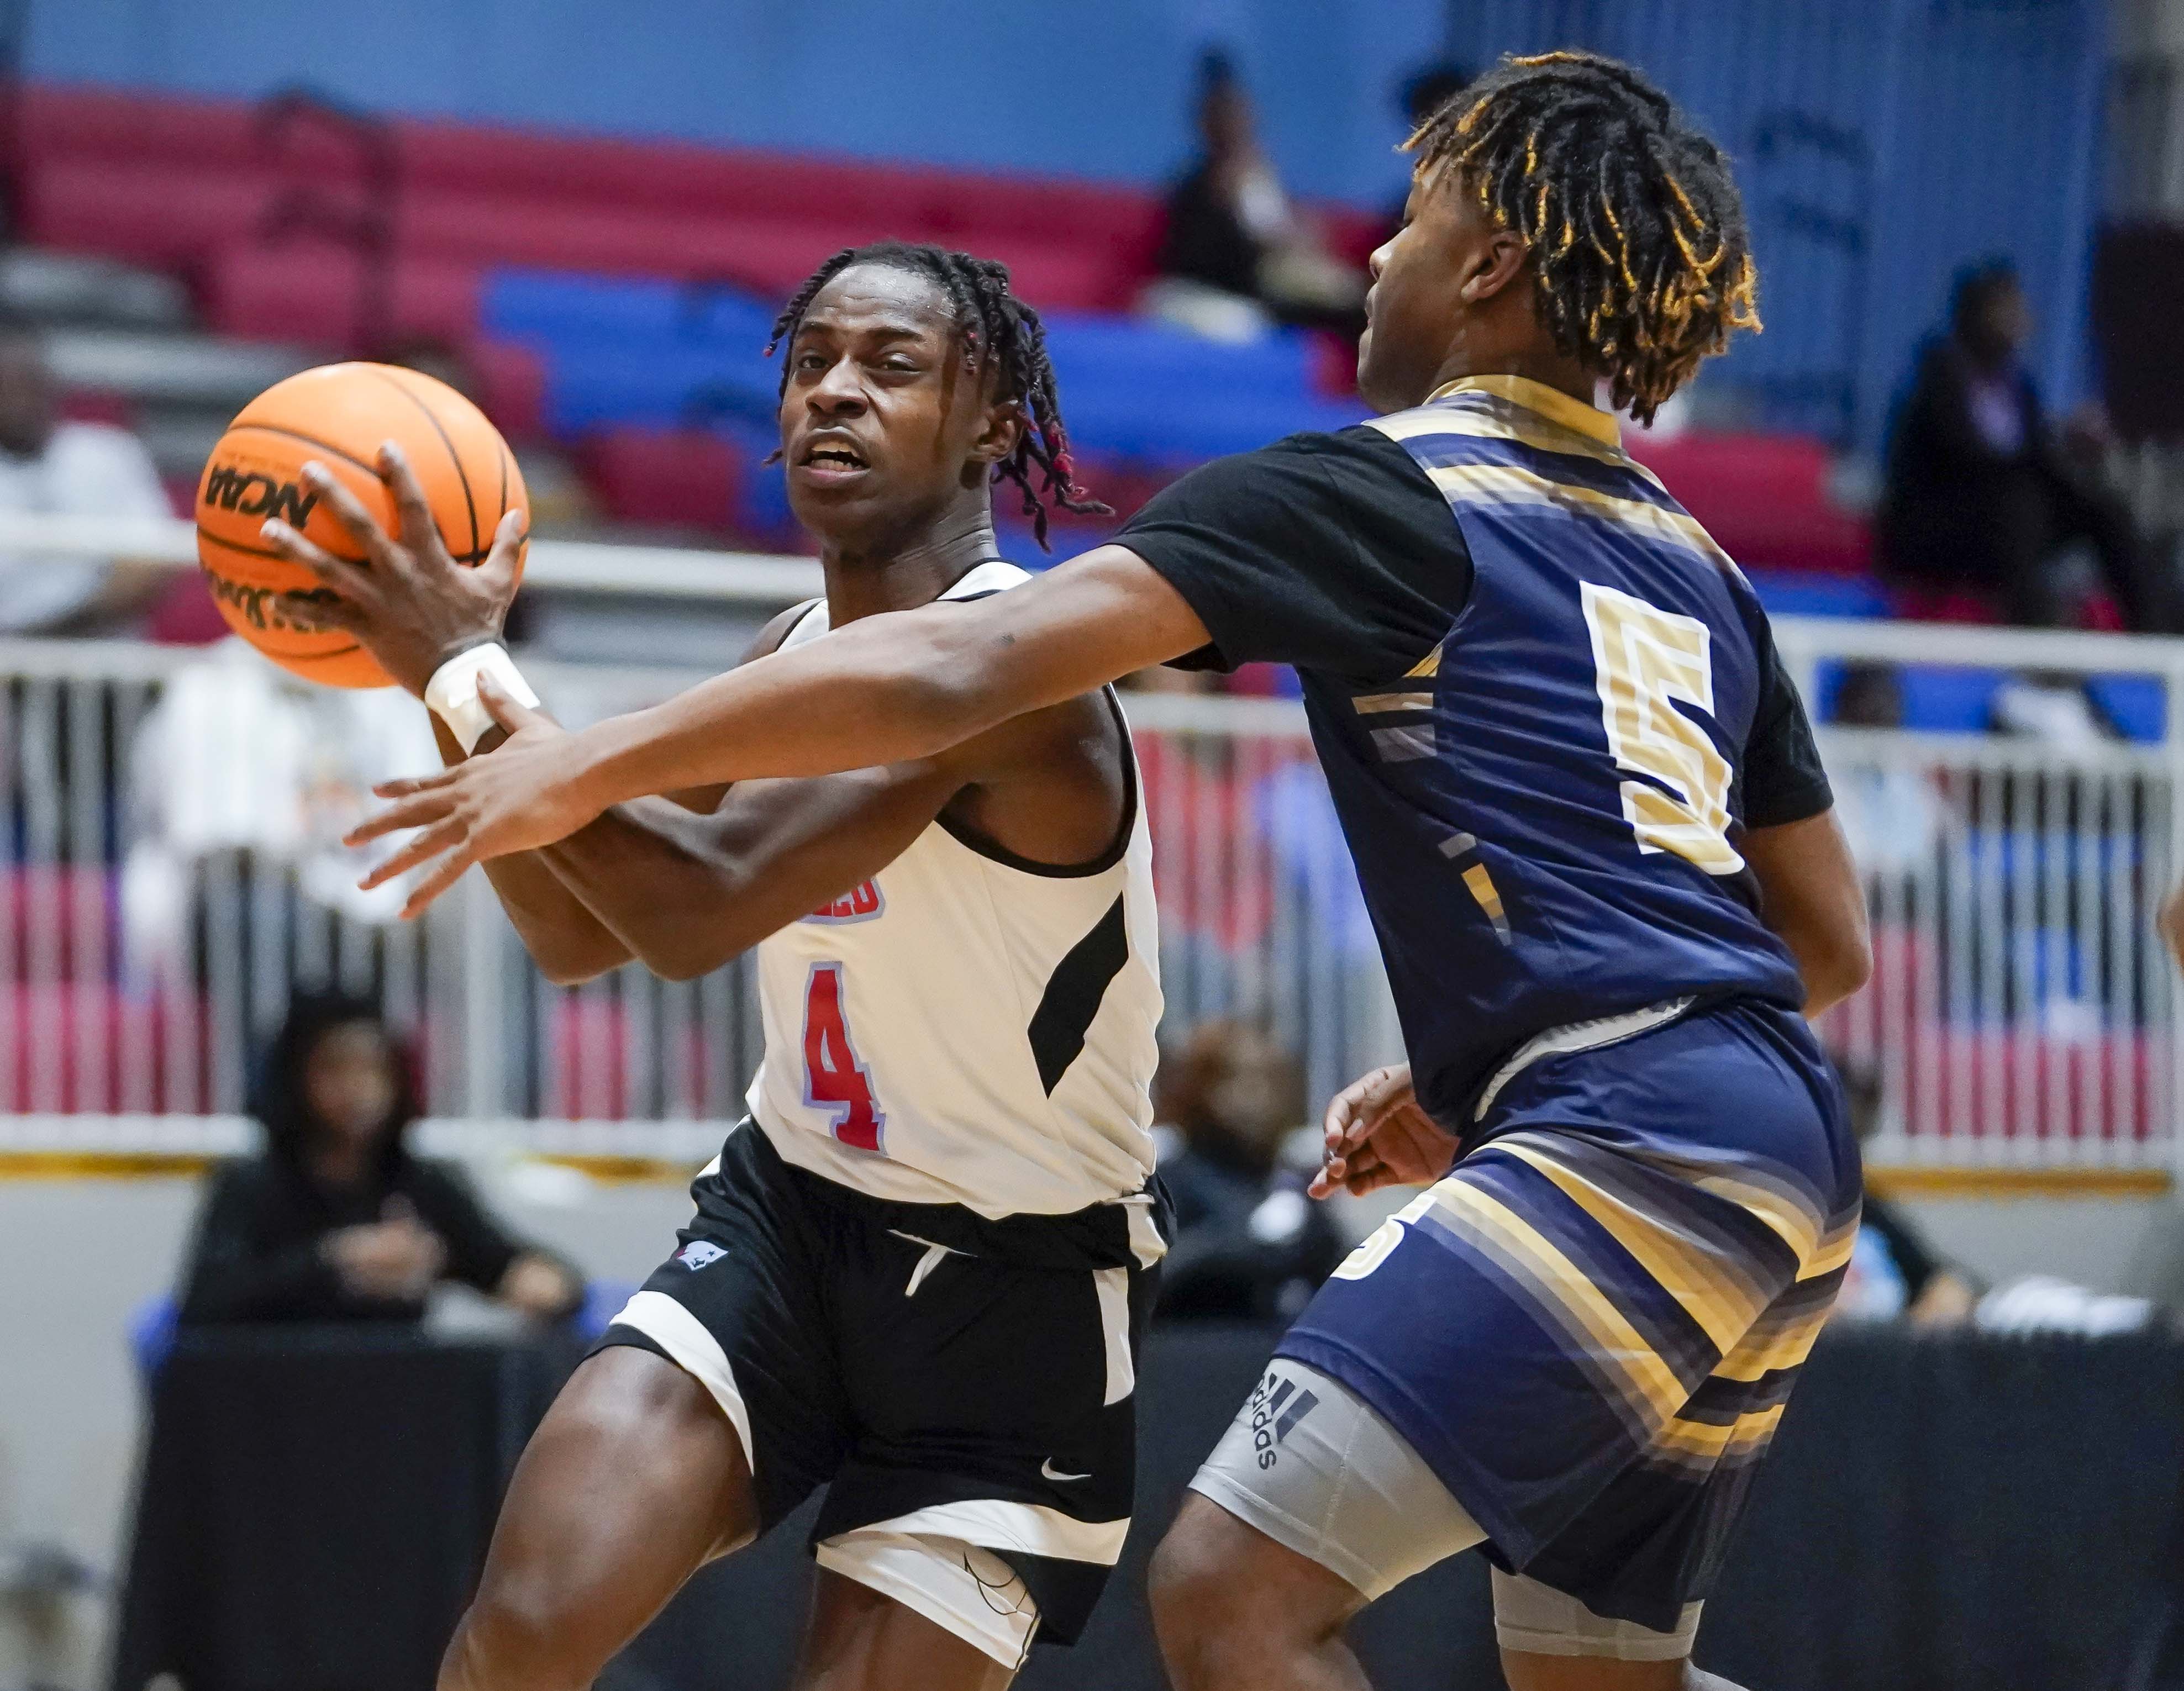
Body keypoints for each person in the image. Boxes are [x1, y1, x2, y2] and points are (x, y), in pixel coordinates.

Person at [340, 52, 1871, 1691]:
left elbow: (926, 698)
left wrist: (558, 738)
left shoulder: (1382, 488)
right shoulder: (1691, 559)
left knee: (1232, 1595)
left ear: (1491, 267)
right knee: (1594, 1681)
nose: (1372, 258)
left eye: (1415, 223)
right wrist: (1493, 1052)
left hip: (1122, 1262)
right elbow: (1824, 942)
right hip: (1767, 1139)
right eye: (816, 361)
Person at [265, 242, 1166, 1688]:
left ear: (993, 420)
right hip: (793, 1221)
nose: (834, 394)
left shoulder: (1017, 673)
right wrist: (452, 679)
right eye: (812, 362)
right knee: (519, 1635)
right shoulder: (793, 642)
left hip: (1016, 1299)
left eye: (890, 365)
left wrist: (462, 675)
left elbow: (701, 910)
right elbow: (580, 928)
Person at [178, 993, 581, 1325]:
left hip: (398, 1397)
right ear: (296, 1079)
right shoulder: (251, 1183)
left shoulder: (420, 1181)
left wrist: (539, 1282)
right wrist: (334, 1258)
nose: (360, 1089)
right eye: (336, 1070)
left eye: (375, 1070)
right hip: (274, 1396)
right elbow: (206, 1303)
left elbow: (504, 1261)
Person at [1877, 260, 2174, 632]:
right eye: (2006, 310)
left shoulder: (2021, 389)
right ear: (1973, 315)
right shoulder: (1936, 384)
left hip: (2012, 521)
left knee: (2102, 508)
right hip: (1941, 526)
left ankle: (2158, 632)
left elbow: (2037, 462)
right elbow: (1966, 462)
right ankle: (2035, 630)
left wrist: (2070, 452)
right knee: (2017, 503)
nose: (2019, 320)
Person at [1144, 49, 1366, 343]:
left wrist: (1301, 237)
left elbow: (1285, 234)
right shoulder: (1198, 186)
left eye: (1240, 115)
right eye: (1224, 117)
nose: (1236, 125)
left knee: (1354, 299)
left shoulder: (1260, 178)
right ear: (1206, 124)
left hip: (1275, 281)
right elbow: (1199, 257)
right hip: (1220, 291)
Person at [1155, 1019, 1344, 1321]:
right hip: (1192, 1353)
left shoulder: (1290, 1179)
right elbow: (1157, 1276)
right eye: (1242, 1080)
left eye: (1271, 1081)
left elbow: (1336, 1270)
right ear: (1201, 1087)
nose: (1260, 1097)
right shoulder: (1173, 1178)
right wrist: (1248, 1243)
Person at [0, 319, 174, 634]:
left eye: (28, 383)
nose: (18, 400)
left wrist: (52, 633)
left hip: (104, 661)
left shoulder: (107, 452)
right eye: (6, 388)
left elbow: (149, 564)